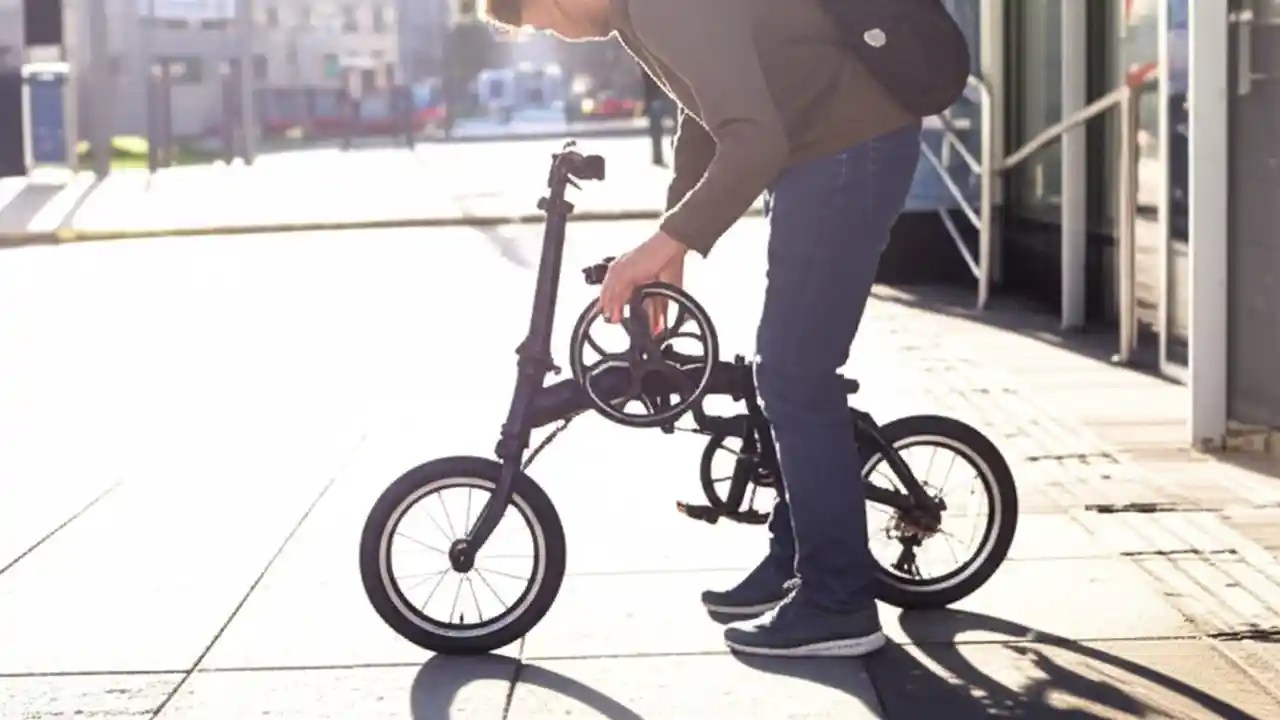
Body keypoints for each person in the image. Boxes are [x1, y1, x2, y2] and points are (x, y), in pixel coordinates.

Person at [480, 0, 923, 659]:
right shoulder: (633, 16)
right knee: (783, 371)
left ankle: (838, 600)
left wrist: (660, 247)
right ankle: (801, 557)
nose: (554, 37)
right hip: (822, 154)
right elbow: (703, 117)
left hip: (847, 149)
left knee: (793, 374)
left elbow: (753, 138)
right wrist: (674, 245)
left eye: (543, 22)